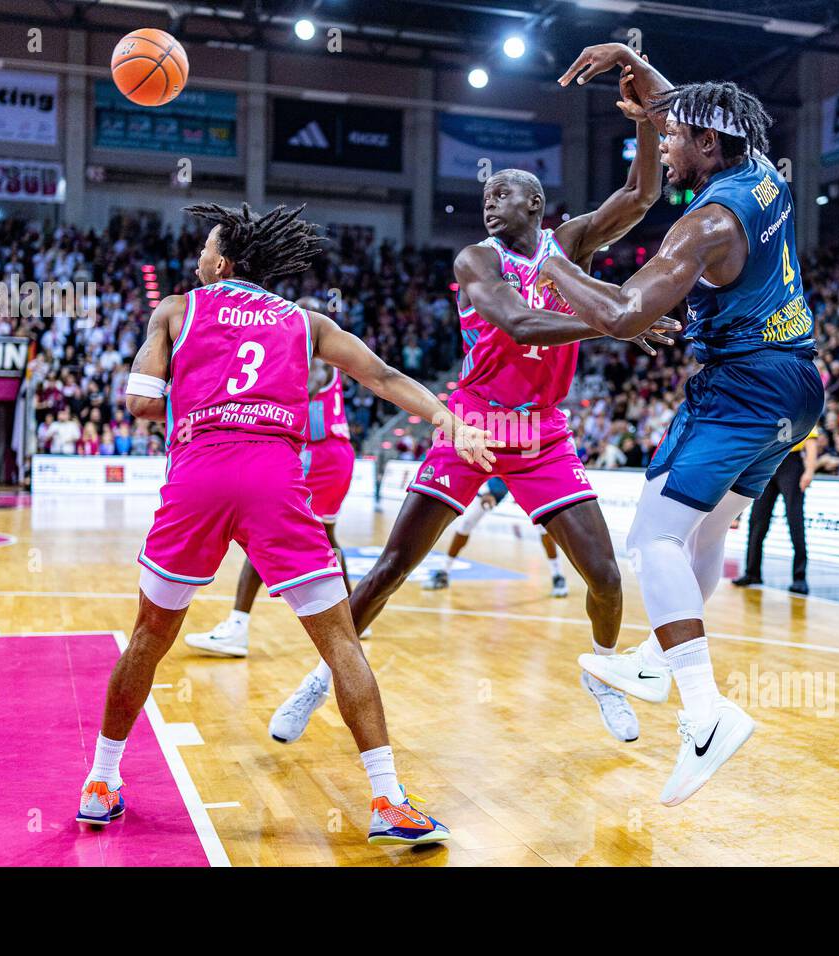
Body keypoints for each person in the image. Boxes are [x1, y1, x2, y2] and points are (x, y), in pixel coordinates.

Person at [269, 76, 674, 748]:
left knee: (603, 574)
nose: (488, 203)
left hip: (542, 433)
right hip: (472, 424)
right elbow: (516, 322)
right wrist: (614, 322)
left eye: (502, 195)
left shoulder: (568, 246)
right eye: (484, 196)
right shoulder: (473, 259)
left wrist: (646, 120)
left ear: (536, 203)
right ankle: (317, 682)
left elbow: (642, 194)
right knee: (393, 565)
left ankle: (603, 673)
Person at [77, 201, 498, 847]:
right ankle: (388, 801)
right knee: (340, 645)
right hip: (274, 475)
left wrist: (174, 382)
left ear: (220, 262)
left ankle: (102, 782)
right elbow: (383, 377)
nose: (196, 258)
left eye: (204, 250)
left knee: (149, 637)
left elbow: (138, 403)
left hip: (199, 474)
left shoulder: (177, 308)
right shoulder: (305, 322)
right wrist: (451, 423)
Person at [541, 45, 825, 805]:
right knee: (699, 533)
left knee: (651, 540)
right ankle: (658, 663)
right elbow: (690, 111)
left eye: (671, 136)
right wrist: (636, 60)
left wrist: (551, 260)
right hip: (796, 386)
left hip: (742, 387)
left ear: (706, 147)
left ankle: (705, 715)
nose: (659, 139)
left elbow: (628, 314)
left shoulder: (702, 227)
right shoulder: (759, 169)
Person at [183, 295, 367, 658]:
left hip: (320, 455)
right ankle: (357, 619)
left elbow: (307, 386)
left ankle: (237, 626)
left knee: (259, 530)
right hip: (334, 455)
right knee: (328, 538)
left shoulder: (314, 358)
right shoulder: (318, 353)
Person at [423, 477, 569, 597]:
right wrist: (486, 491)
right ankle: (444, 572)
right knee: (466, 523)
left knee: (542, 526)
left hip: (523, 474)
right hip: (498, 476)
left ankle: (558, 575)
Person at [732, 429, 818, 594]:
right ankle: (752, 573)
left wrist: (809, 470)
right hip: (768, 461)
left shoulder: (802, 405)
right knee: (757, 520)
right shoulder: (772, 408)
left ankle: (799, 577)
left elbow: (811, 441)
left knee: (795, 520)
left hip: (791, 462)